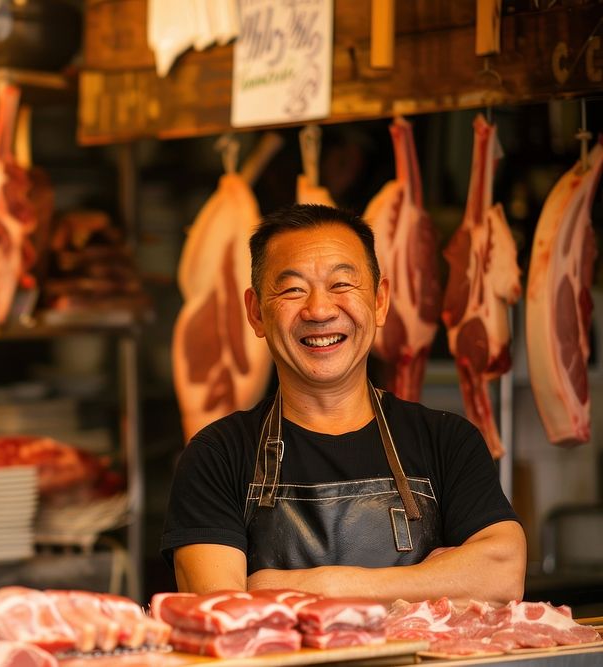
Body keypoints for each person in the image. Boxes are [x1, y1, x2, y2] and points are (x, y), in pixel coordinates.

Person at [161, 204, 526, 604]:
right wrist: (433, 580)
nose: (319, 310)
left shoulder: (445, 441)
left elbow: (503, 574)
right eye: (293, 289)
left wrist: (318, 587)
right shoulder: (217, 456)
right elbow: (226, 616)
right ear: (256, 313)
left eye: (342, 285)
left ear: (380, 301)